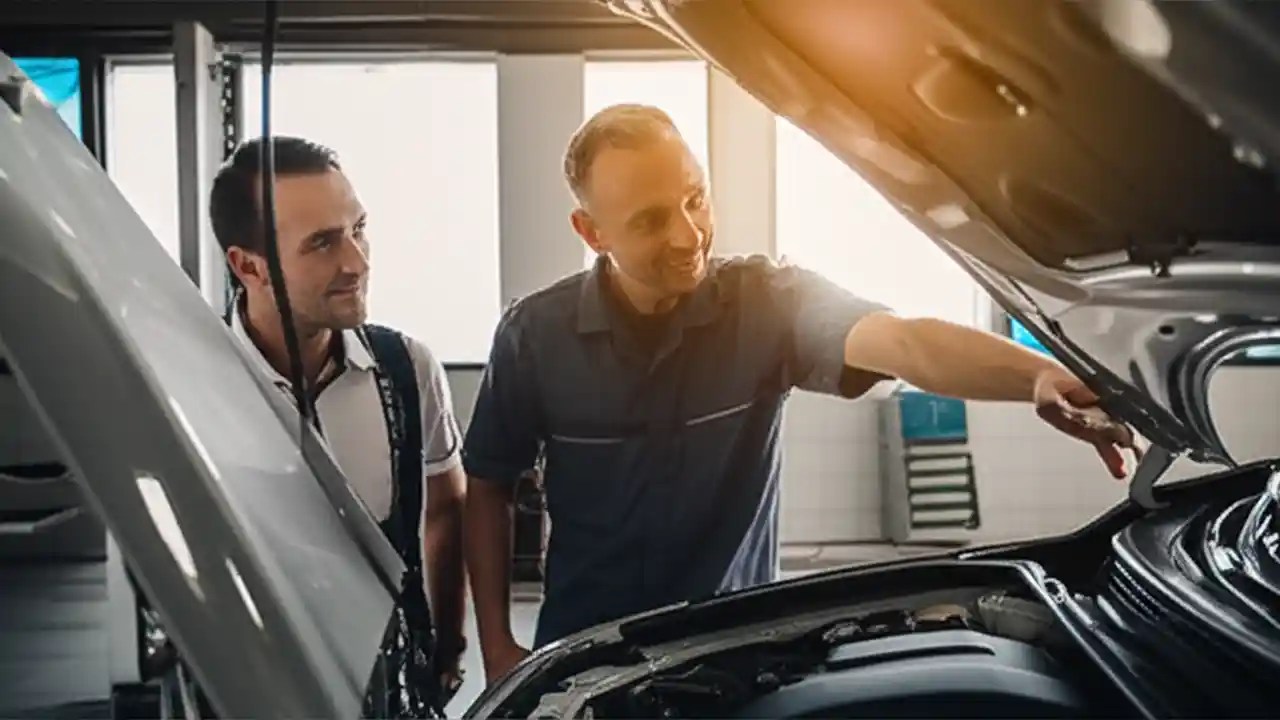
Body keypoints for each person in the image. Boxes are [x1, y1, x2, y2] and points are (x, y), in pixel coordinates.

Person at [462, 104, 1139, 683]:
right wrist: (497, 644)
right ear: (592, 233)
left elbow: (905, 342)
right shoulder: (534, 337)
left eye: (696, 198)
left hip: (739, 649)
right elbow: (487, 484)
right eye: (649, 220)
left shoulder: (766, 303)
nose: (689, 235)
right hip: (586, 655)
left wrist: (1038, 375)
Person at [209, 136, 468, 708]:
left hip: (392, 688)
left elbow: (447, 507)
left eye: (358, 229)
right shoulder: (196, 383)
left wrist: (448, 649)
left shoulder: (407, 369)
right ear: (247, 266)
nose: (357, 261)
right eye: (323, 243)